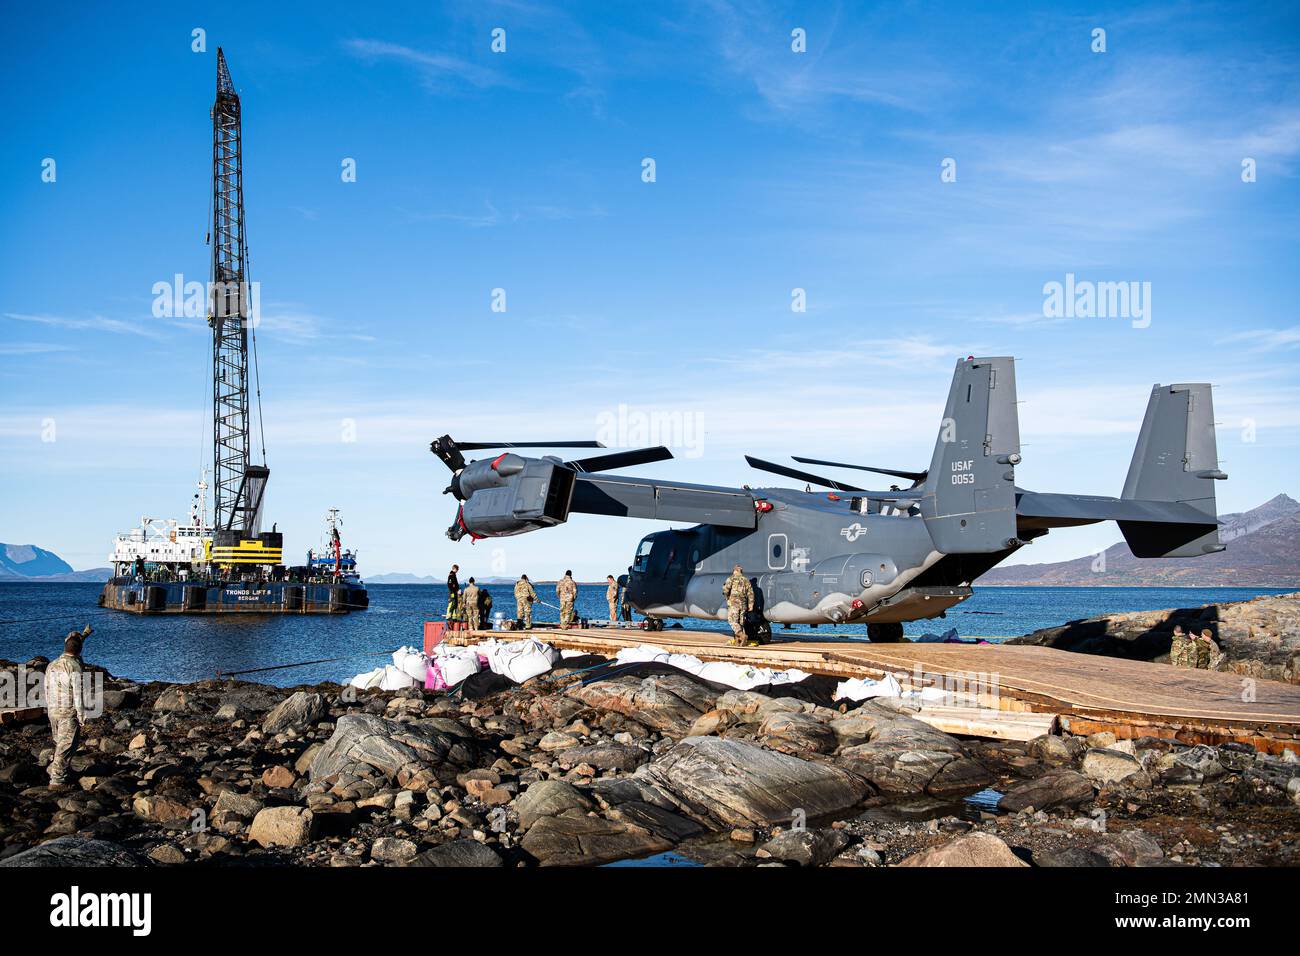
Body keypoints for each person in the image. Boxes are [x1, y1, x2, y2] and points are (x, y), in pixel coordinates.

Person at [44, 626, 92, 789]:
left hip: (53, 710)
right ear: (80, 651)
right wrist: (82, 714)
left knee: (60, 742)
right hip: (68, 711)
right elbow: (78, 693)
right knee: (66, 746)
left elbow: (46, 687)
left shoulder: (52, 665)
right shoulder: (75, 667)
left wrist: (84, 635)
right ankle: (57, 781)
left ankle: (56, 770)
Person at [722, 563, 755, 646]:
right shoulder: (746, 580)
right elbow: (751, 594)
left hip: (734, 603)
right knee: (740, 623)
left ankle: (742, 636)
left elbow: (725, 590)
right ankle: (738, 642)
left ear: (734, 571)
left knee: (732, 621)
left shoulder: (731, 578)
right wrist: (751, 605)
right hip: (743, 604)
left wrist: (727, 598)